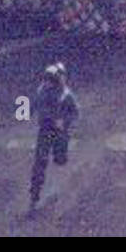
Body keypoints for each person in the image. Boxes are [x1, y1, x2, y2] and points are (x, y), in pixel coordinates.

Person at [29, 61, 78, 211]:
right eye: (46, 79)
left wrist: (64, 121)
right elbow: (32, 105)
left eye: (50, 80)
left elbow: (75, 112)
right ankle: (34, 193)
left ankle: (53, 186)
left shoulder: (65, 95)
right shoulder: (41, 91)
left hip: (60, 132)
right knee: (40, 160)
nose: (47, 83)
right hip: (45, 130)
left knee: (60, 159)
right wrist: (24, 113)